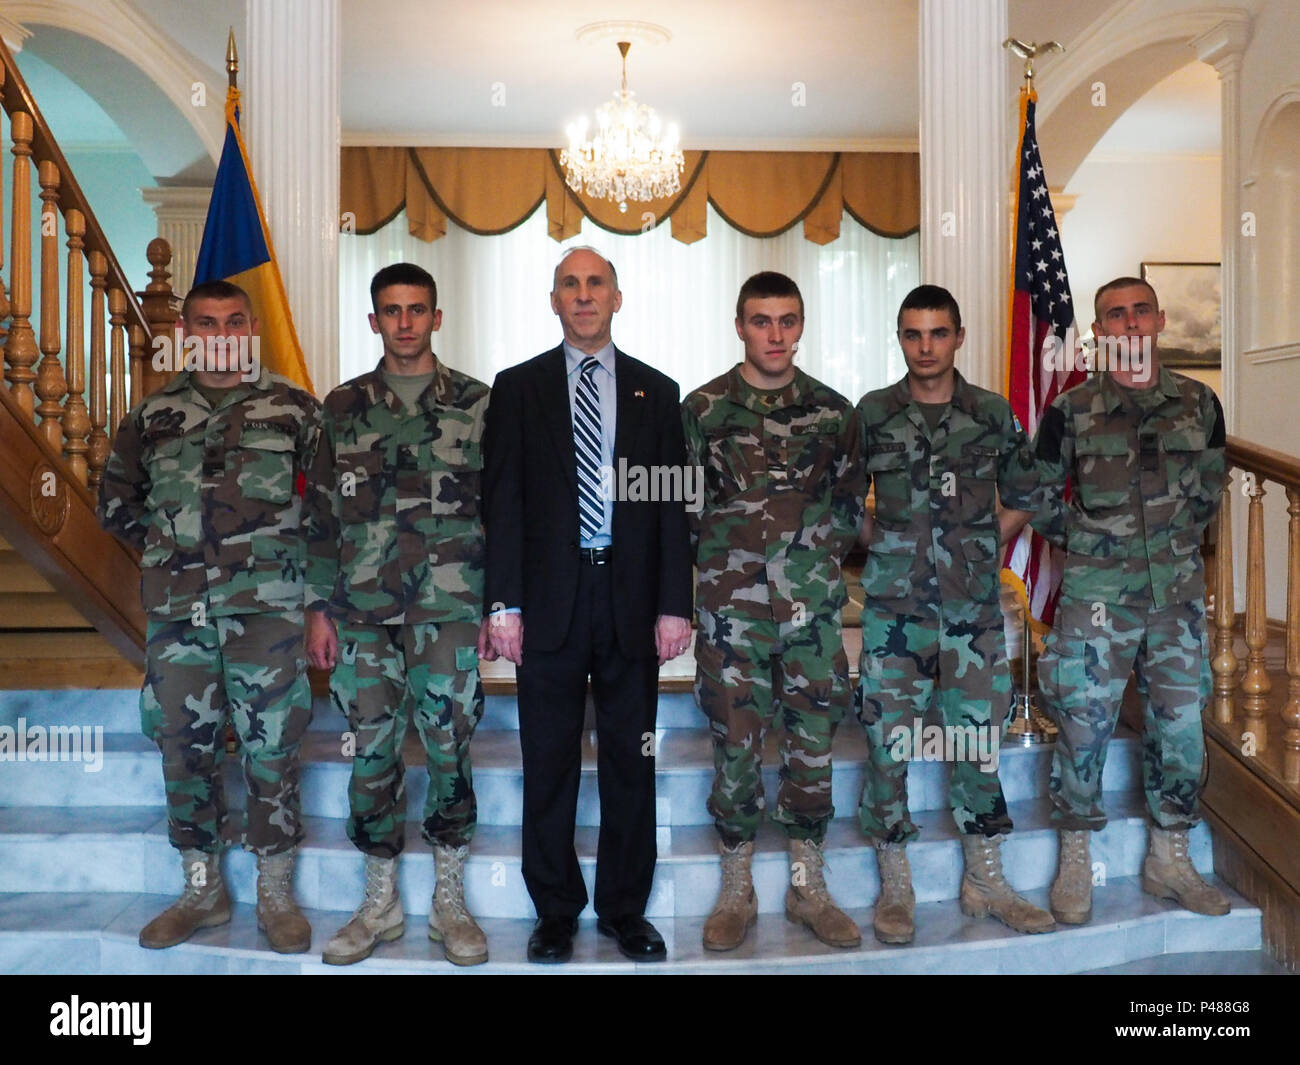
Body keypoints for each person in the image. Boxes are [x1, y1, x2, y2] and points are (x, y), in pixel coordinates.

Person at [482, 246, 693, 963]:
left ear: (617, 297)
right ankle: (555, 911)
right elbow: (502, 504)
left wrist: (674, 604)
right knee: (549, 761)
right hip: (546, 602)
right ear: (553, 300)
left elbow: (671, 509)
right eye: (569, 284)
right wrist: (503, 603)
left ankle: (625, 910)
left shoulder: (657, 392)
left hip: (631, 601)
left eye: (594, 283)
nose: (583, 295)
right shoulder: (517, 388)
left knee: (632, 761)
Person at [98, 280, 321, 954]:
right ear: (188, 333)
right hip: (179, 613)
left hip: (268, 613)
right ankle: (202, 889)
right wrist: (172, 547)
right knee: (182, 747)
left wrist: (308, 596)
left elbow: (329, 511)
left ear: (249, 328)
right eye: (205, 323)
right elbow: (116, 503)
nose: (220, 333)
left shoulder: (296, 411)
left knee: (272, 749)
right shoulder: (152, 416)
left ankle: (275, 892)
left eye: (232, 321)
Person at [305, 262, 493, 966]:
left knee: (450, 746)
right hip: (360, 611)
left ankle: (450, 901)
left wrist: (501, 607)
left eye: (417, 309)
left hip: (450, 605)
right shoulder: (342, 406)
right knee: (372, 751)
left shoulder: (479, 404)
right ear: (374, 320)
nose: (405, 321)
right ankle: (379, 900)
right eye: (392, 310)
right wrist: (318, 610)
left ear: (437, 318)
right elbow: (320, 516)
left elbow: (506, 510)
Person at [855, 284, 1055, 943]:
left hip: (970, 613)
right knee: (889, 744)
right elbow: (841, 497)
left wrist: (986, 537)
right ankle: (896, 880)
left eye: (938, 333)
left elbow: (1028, 489)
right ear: (900, 338)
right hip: (894, 615)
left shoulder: (991, 413)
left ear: (959, 336)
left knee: (977, 744)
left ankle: (985, 876)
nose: (925, 346)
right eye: (912, 334)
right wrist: (881, 541)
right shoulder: (874, 413)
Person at [1033, 275, 1229, 924]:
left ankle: (1169, 859)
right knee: (1083, 727)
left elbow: (1210, 488)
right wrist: (1087, 540)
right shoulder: (1072, 410)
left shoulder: (1198, 404)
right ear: (1101, 331)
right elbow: (1035, 493)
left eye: (1140, 310)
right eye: (1115, 315)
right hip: (1096, 598)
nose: (1130, 323)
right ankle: (1075, 859)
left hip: (1174, 597)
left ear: (1160, 318)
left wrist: (1176, 539)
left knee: (1180, 731)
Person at [682, 271, 863, 951]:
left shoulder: (834, 411)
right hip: (731, 617)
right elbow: (682, 509)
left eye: (787, 320)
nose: (775, 334)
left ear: (801, 325)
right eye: (762, 321)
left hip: (811, 613)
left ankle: (806, 883)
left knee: (813, 745)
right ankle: (737, 887)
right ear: (740, 326)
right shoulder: (701, 410)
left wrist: (811, 564)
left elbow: (849, 502)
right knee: (735, 745)